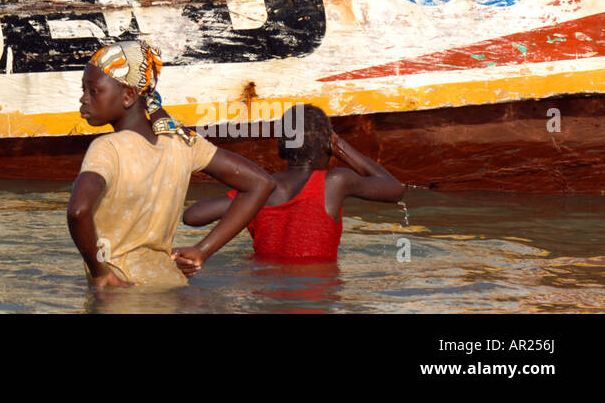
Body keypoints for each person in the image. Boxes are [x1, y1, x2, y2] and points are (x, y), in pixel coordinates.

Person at [67, 41, 275, 288]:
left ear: (128, 95)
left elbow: (78, 211)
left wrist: (100, 273)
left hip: (122, 294)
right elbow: (261, 183)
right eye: (84, 89)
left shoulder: (107, 148)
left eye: (93, 90)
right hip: (172, 286)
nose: (83, 99)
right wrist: (202, 251)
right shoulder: (183, 142)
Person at [182, 104, 406, 262]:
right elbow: (396, 190)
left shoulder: (259, 189)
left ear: (281, 147)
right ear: (328, 146)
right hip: (315, 300)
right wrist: (343, 149)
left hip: (264, 294)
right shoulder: (336, 182)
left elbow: (192, 216)